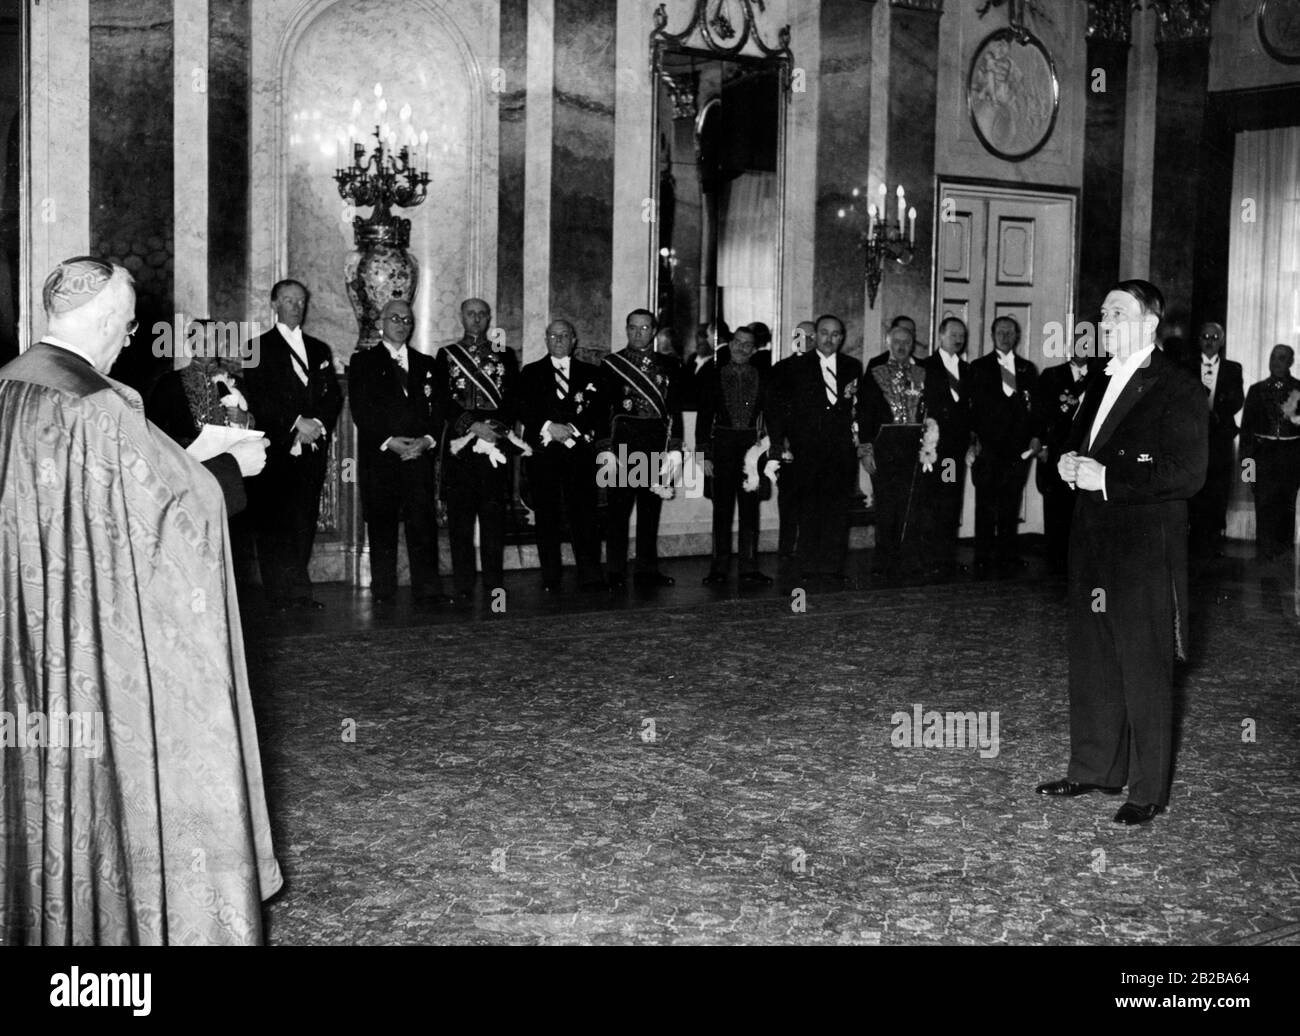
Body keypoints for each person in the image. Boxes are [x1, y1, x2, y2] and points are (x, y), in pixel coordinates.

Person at [0, 257, 281, 943]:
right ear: (102, 323)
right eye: (127, 326)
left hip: (33, 621)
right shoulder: (100, 404)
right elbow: (165, 513)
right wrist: (228, 469)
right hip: (90, 635)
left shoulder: (10, 384)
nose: (129, 340)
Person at [1038, 279, 1207, 827]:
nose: (1103, 322)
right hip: (1093, 540)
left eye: (1116, 312)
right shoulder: (1098, 382)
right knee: (1094, 657)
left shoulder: (1178, 388)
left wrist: (1108, 478)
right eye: (1102, 313)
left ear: (1150, 323)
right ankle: (1094, 768)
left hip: (1143, 548)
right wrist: (1070, 466)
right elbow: (1088, 449)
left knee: (1143, 664)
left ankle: (1147, 788)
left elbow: (1188, 473)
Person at [243, 279, 342, 611]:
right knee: (275, 523)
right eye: (288, 300)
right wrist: (294, 423)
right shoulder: (256, 347)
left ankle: (300, 591)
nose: (295, 307)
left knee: (304, 518)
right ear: (274, 305)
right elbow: (258, 397)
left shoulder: (318, 349)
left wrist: (318, 424)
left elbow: (333, 395)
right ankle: (278, 594)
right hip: (278, 447)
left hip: (312, 447)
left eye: (300, 301)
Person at [348, 299, 449, 607]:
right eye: (395, 318)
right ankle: (383, 592)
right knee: (382, 524)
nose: (401, 324)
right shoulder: (362, 362)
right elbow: (360, 411)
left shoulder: (427, 363)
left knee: (422, 523)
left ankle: (427, 590)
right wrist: (389, 440)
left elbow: (439, 409)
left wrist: (427, 440)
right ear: (381, 323)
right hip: (381, 457)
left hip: (418, 455)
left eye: (407, 320)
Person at [433, 297, 521, 598]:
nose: (476, 319)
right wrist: (472, 425)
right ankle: (462, 585)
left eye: (482, 315)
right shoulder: (446, 355)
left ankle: (495, 583)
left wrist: (495, 429)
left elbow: (513, 400)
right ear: (462, 317)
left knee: (494, 518)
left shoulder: (505, 355)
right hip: (462, 445)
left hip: (494, 445)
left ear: (489, 318)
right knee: (461, 520)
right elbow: (442, 401)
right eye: (471, 314)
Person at [767, 313, 862, 585]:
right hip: (806, 451)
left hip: (840, 453)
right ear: (815, 335)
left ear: (841, 338)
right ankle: (808, 566)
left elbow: (858, 408)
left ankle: (832, 566)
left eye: (835, 334)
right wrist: (779, 440)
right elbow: (777, 409)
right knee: (809, 510)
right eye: (824, 333)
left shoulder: (853, 366)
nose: (829, 338)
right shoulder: (795, 367)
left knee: (837, 511)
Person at [146, 317, 266, 521]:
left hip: (232, 475)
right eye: (199, 338)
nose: (205, 344)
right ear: (189, 343)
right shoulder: (169, 383)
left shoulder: (238, 383)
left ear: (221, 344)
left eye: (211, 338)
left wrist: (243, 418)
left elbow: (259, 425)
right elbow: (152, 431)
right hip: (187, 474)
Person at [596, 308, 684, 587]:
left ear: (654, 331)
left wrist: (674, 447)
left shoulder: (669, 365)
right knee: (618, 512)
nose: (638, 333)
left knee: (650, 511)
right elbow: (601, 410)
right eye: (633, 327)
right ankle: (615, 572)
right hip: (623, 444)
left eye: (644, 328)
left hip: (655, 443)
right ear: (626, 329)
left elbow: (674, 408)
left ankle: (647, 570)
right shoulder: (611, 364)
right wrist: (605, 447)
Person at [518, 319, 605, 592]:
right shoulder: (530, 372)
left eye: (564, 335)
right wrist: (548, 426)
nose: (558, 340)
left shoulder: (591, 372)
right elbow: (523, 408)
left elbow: (599, 409)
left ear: (574, 340)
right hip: (544, 454)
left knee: (584, 516)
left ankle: (590, 575)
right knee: (547, 516)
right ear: (546, 339)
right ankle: (551, 576)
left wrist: (572, 428)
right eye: (553, 336)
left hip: (579, 453)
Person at [699, 325, 774, 586]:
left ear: (754, 349)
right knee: (721, 510)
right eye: (737, 342)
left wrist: (768, 453)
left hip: (752, 449)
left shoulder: (763, 376)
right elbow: (704, 417)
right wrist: (703, 455)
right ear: (730, 344)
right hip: (721, 446)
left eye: (747, 344)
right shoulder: (713, 373)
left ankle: (749, 567)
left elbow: (770, 417)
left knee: (750, 510)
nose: (741, 348)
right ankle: (718, 568)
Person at [968, 315, 1040, 575]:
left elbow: (1036, 410)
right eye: (1000, 332)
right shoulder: (978, 367)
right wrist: (973, 441)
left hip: (1017, 449)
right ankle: (983, 556)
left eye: (1010, 332)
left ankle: (1008, 555)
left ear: (1017, 337)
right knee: (986, 503)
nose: (1005, 336)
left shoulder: (1027, 369)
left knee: (1011, 502)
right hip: (988, 448)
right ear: (992, 335)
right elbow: (972, 409)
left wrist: (1035, 437)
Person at [859, 324, 930, 581]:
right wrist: (866, 451)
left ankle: (910, 559)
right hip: (883, 450)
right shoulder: (875, 372)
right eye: (896, 342)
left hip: (914, 451)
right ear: (888, 342)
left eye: (906, 343)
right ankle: (884, 561)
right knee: (886, 508)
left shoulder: (922, 373)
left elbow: (928, 411)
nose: (901, 347)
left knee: (912, 506)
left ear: (912, 345)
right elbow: (864, 414)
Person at [1033, 330, 1093, 575]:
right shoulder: (1052, 375)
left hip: (1086, 452)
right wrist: (1043, 445)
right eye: (1078, 344)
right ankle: (1055, 563)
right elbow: (1039, 414)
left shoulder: (1101, 376)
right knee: (1056, 508)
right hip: (1056, 453)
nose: (1082, 349)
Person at [919, 316, 974, 576]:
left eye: (962, 335)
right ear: (940, 336)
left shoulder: (967, 369)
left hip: (955, 451)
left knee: (950, 500)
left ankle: (945, 557)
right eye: (953, 334)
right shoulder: (925, 366)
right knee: (931, 502)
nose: (958, 339)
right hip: (932, 449)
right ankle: (928, 557)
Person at [1187, 322, 1244, 558]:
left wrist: (1218, 409)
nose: (1209, 341)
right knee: (1196, 486)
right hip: (1194, 439)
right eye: (1205, 336)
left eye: (1214, 337)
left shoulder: (1232, 368)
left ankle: (1215, 537)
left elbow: (1237, 400)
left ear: (1221, 341)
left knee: (1218, 486)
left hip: (1219, 439)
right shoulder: (1187, 365)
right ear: (1199, 340)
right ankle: (1195, 536)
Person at [1240, 344, 1300, 562]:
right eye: (1273, 357)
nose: (1276, 362)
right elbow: (1246, 431)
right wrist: (1247, 472)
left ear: (1291, 362)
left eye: (1282, 358)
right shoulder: (1256, 390)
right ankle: (1264, 555)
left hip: (1291, 455)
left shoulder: (1299, 389)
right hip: (1262, 454)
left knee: (1286, 505)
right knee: (1263, 504)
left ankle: (1284, 555)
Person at [771, 320, 815, 559]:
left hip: (817, 448)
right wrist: (780, 441)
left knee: (814, 502)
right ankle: (786, 550)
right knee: (788, 501)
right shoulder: (781, 369)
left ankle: (809, 550)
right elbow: (774, 411)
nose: (805, 341)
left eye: (811, 336)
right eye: (800, 335)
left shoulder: (824, 369)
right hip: (790, 446)